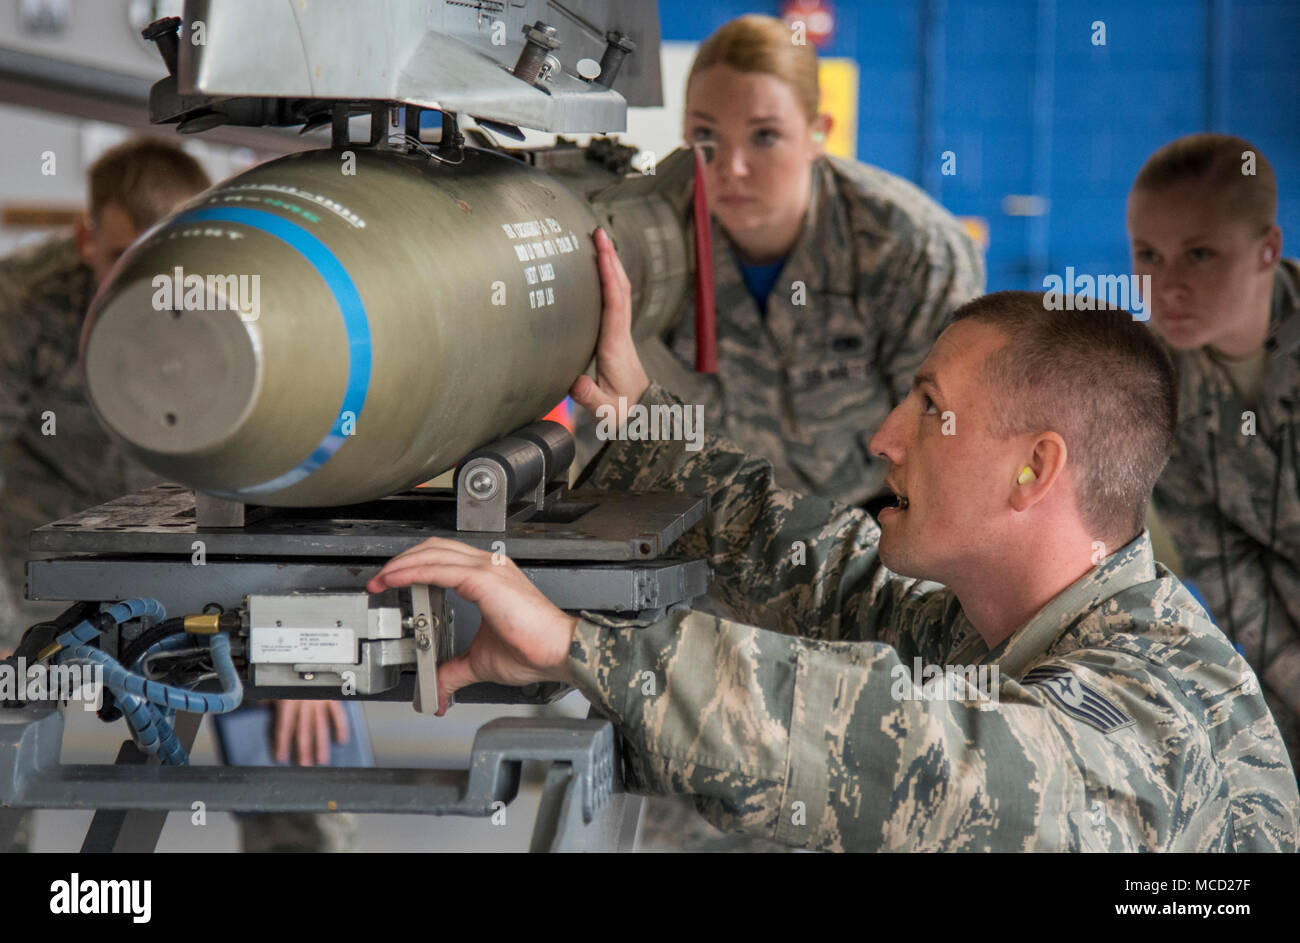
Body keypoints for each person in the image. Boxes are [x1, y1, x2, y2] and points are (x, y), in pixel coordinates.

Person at [367, 229, 1299, 851]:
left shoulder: (1157, 708)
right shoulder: (1017, 620)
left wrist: (583, 647)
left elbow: (931, 758)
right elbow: (822, 573)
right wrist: (637, 418)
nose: (885, 437)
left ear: (1034, 469)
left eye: (930, 409)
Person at [0, 136, 358, 853]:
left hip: (204, 544)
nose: (142, 291)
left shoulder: (255, 309)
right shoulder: (24, 309)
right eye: (118, 263)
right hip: (44, 549)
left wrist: (318, 643)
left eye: (163, 265)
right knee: (10, 718)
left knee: (298, 729)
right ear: (84, 239)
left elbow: (310, 479)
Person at [608, 13, 984, 511]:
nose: (731, 167)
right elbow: (613, 421)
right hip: (693, 522)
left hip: (865, 535)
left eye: (764, 136)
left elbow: (948, 446)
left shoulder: (910, 249)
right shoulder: (646, 240)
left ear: (817, 133)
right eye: (706, 137)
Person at [1127, 133, 1300, 779]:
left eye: (1199, 254)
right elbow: (1225, 565)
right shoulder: (1155, 378)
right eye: (1148, 254)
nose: (1167, 285)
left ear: (1267, 249)